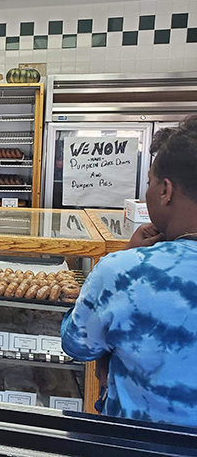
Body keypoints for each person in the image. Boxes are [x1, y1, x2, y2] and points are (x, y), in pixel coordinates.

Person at [61, 115, 197, 428]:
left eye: (149, 183)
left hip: (136, 441)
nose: (147, 193)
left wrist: (128, 256)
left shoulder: (125, 271)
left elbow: (77, 344)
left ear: (166, 190)